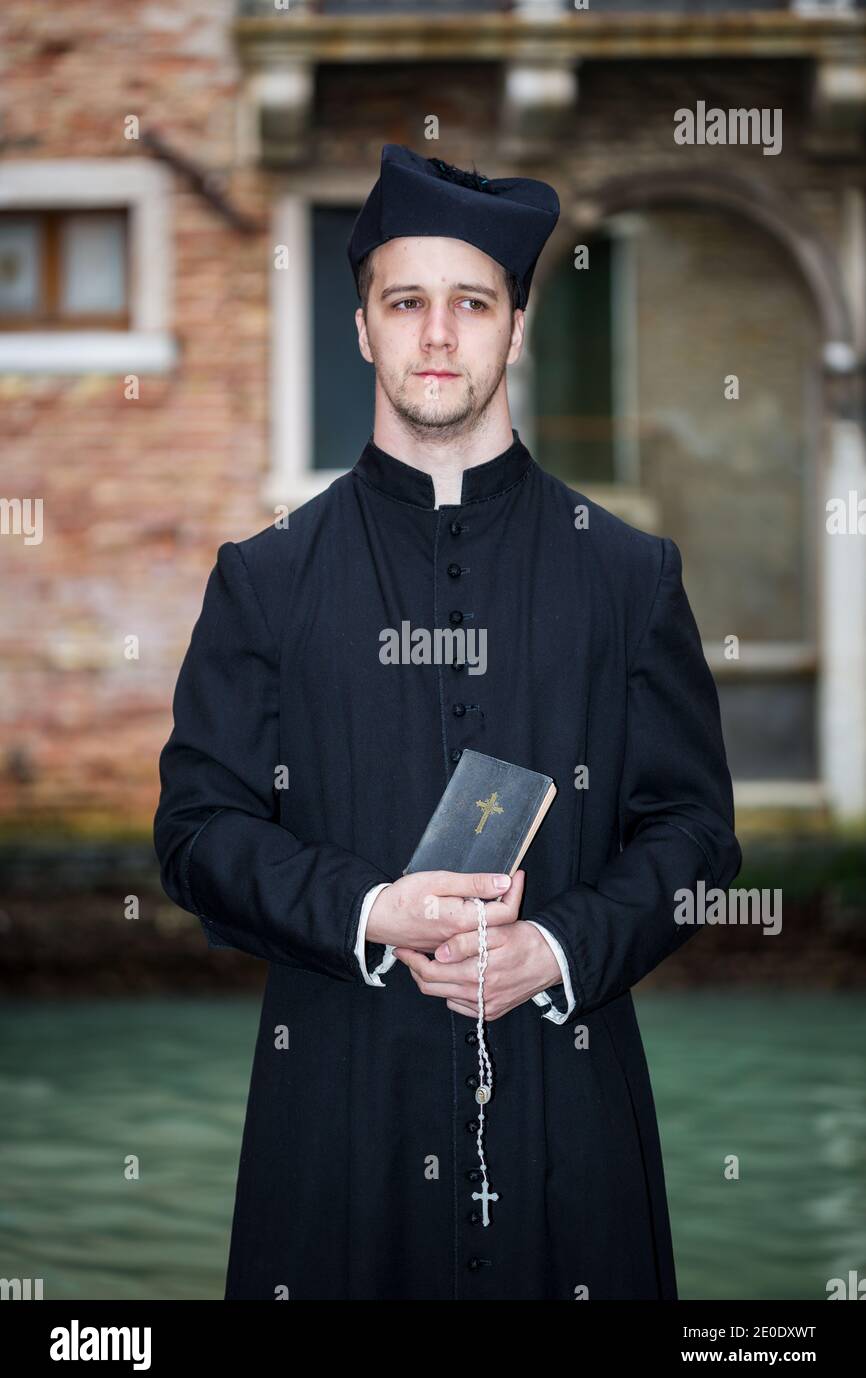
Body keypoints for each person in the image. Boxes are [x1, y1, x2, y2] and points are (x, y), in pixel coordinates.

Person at [153, 144, 742, 1301]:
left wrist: (559, 945)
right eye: (405, 302)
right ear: (362, 328)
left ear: (514, 329)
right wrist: (367, 909)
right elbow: (194, 833)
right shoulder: (264, 579)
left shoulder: (628, 575)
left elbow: (694, 834)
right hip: (336, 1117)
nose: (436, 336)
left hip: (568, 1113)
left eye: (469, 302)